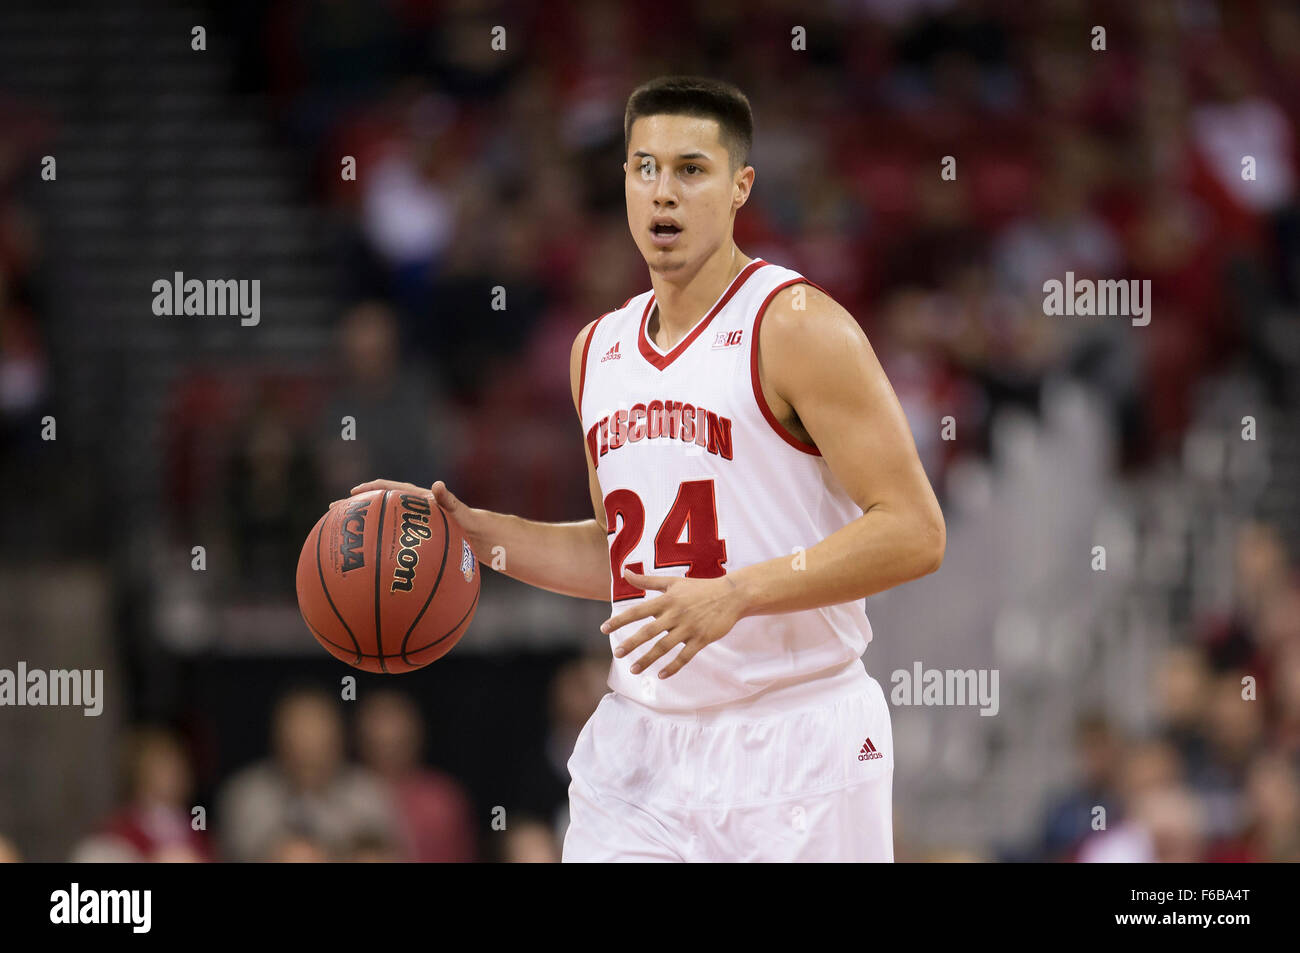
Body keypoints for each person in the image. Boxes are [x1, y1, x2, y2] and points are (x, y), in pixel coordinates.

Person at [352, 76, 945, 862]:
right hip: (643, 743)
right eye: (645, 169)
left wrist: (740, 592)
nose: (663, 192)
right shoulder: (595, 350)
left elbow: (915, 531)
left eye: (691, 170)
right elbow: (623, 558)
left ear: (741, 188)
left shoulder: (799, 326)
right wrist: (473, 532)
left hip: (798, 733)